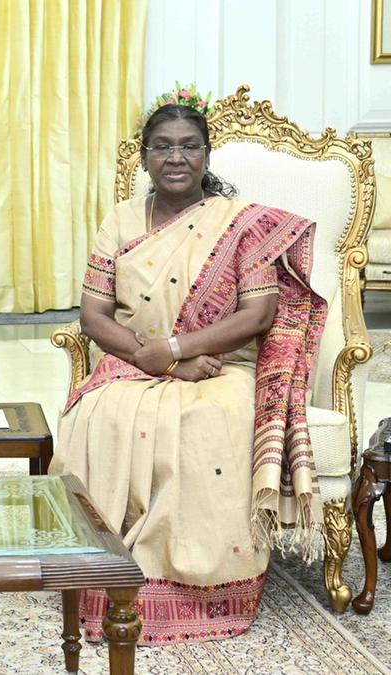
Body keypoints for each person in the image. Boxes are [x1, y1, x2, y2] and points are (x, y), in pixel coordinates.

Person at [51, 104, 325, 643]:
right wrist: (162, 360)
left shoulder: (239, 222)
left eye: (189, 146)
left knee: (210, 422)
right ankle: (104, 575)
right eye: (163, 146)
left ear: (206, 153)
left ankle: (196, 589)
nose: (176, 157)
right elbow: (93, 315)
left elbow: (257, 315)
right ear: (145, 155)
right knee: (99, 415)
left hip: (220, 365)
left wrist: (178, 347)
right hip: (135, 359)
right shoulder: (121, 220)